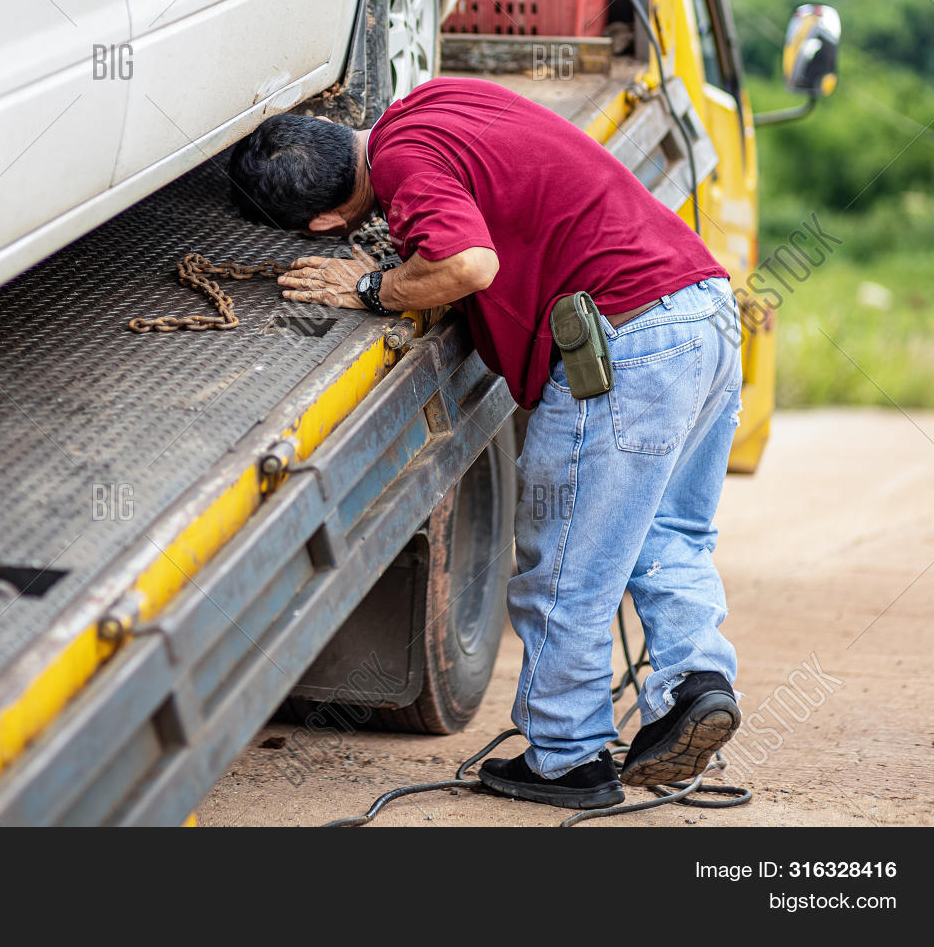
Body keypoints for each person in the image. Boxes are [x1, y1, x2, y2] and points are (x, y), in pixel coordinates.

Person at [227, 77, 743, 809]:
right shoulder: (434, 99)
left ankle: (568, 760)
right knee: (671, 533)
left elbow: (469, 264)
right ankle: (696, 682)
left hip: (630, 347)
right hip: (706, 310)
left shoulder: (405, 166)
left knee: (566, 567)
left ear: (320, 225)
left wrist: (374, 285)